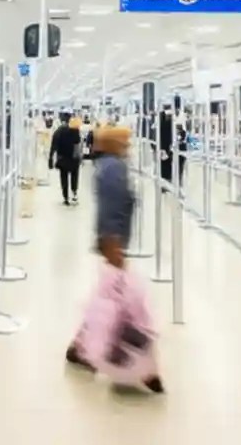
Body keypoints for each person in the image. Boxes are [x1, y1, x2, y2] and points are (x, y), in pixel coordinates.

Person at [65, 126, 163, 393]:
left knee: (107, 296)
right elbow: (111, 207)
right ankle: (95, 350)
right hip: (114, 242)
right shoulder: (113, 169)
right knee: (114, 301)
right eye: (124, 141)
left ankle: (81, 345)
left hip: (113, 241)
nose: (128, 146)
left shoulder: (108, 165)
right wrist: (113, 244)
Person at [49, 115, 83, 206]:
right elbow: (78, 145)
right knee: (74, 177)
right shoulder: (75, 130)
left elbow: (53, 145)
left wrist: (50, 158)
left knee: (64, 178)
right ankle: (74, 193)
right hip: (73, 158)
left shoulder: (59, 131)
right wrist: (80, 157)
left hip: (62, 158)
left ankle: (66, 197)